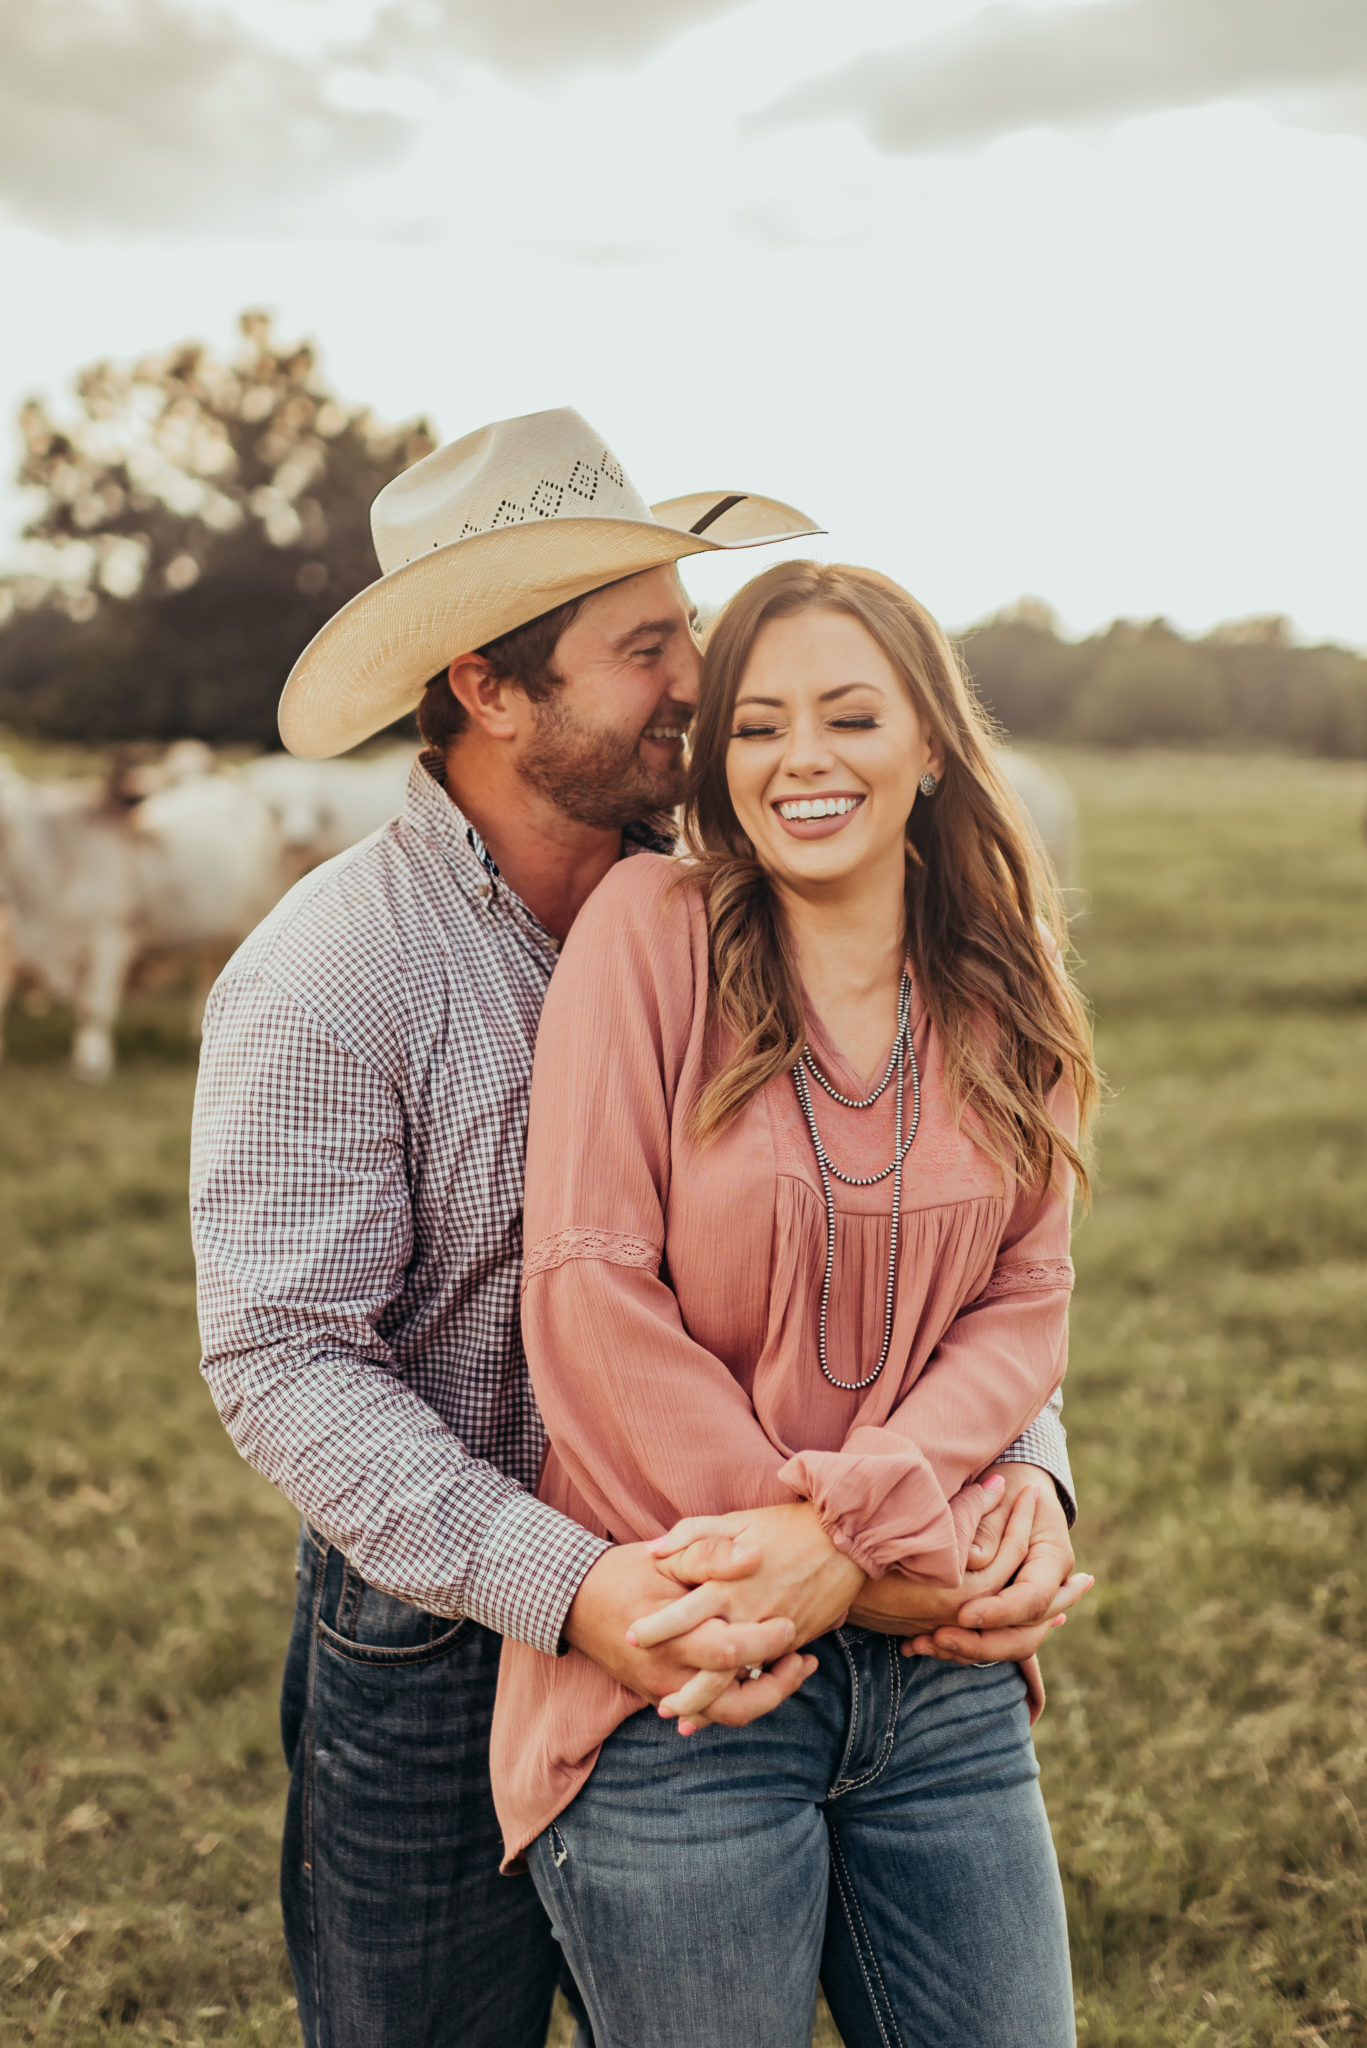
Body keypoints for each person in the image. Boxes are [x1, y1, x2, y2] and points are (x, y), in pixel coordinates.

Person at [191, 410, 1082, 2048]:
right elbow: (282, 1361)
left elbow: (929, 1235)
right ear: (487, 685)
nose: (695, 676)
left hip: (793, 1583)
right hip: (452, 1621)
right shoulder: (332, 976)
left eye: (685, 629)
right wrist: (586, 1584)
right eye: (645, 646)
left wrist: (1015, 1465)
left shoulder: (749, 892)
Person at [492, 560, 1100, 2048]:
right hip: (689, 1663)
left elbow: (1026, 1299)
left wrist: (853, 1554)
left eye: (848, 716)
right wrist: (848, 1558)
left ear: (933, 745)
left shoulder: (1006, 986)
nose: (801, 761)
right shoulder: (653, 931)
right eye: (757, 727)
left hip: (936, 1680)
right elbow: (588, 1292)